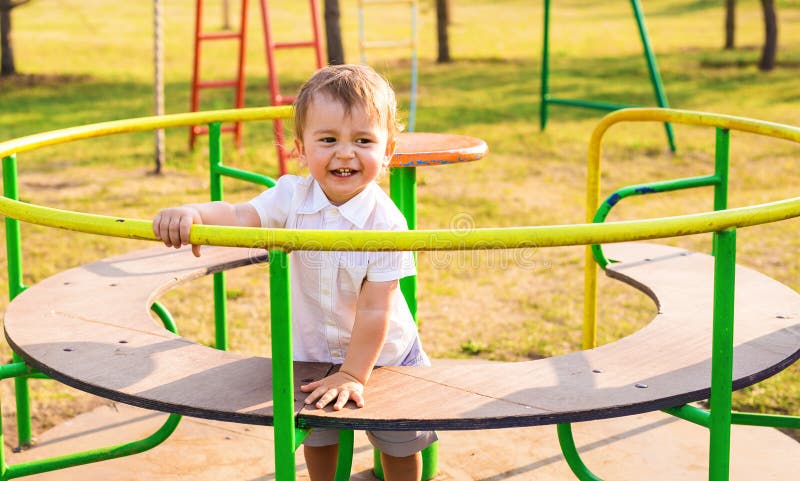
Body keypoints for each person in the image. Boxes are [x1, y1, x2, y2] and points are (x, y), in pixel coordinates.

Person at [152, 64, 436, 481]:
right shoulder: (291, 196)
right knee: (317, 438)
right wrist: (193, 213)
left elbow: (377, 310)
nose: (344, 153)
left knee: (398, 440)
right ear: (300, 148)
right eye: (328, 140)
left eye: (362, 140)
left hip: (386, 356)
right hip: (313, 353)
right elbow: (238, 214)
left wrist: (354, 374)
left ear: (388, 149)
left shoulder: (386, 223)